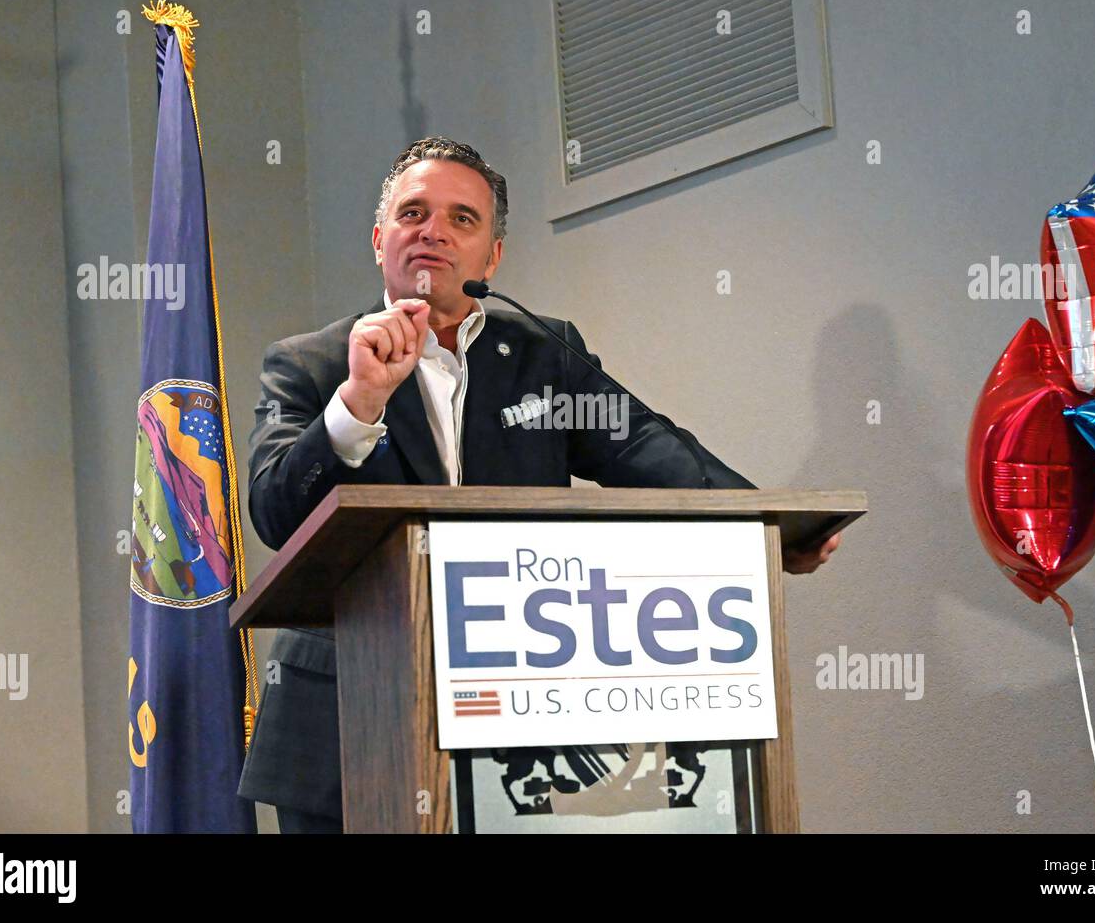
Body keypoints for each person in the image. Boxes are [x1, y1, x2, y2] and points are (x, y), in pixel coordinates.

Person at [237, 136, 841, 832]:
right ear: (381, 239)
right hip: (342, 735)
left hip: (514, 742)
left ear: (492, 256)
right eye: (414, 213)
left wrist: (768, 528)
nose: (434, 230)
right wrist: (358, 405)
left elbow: (648, 446)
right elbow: (275, 510)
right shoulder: (311, 363)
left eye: (462, 219)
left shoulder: (543, 354)